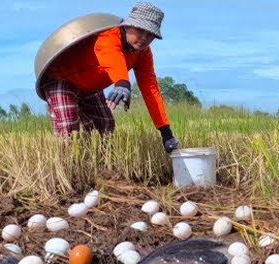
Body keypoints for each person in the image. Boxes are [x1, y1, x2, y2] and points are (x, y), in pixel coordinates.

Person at [37, 3, 180, 152]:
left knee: (105, 124)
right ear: (128, 25)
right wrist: (122, 83)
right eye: (140, 31)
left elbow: (150, 89)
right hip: (61, 79)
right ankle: (66, 163)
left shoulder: (143, 53)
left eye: (150, 35)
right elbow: (110, 56)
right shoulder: (109, 36)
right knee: (68, 128)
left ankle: (100, 164)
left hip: (90, 87)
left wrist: (165, 132)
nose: (144, 38)